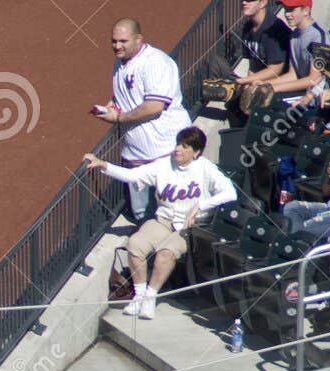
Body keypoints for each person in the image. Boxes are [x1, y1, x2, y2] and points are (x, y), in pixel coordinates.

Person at [83, 127, 236, 319]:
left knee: (166, 253)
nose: (178, 149)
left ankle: (150, 297)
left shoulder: (206, 168)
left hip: (189, 228)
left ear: (196, 152)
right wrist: (103, 165)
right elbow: (133, 176)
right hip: (163, 221)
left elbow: (230, 193)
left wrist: (201, 206)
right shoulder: (163, 165)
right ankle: (139, 295)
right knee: (135, 244)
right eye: (178, 144)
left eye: (185, 146)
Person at [95, 19, 192, 225]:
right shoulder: (119, 63)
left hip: (167, 151)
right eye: (114, 41)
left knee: (176, 213)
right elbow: (128, 95)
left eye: (123, 41)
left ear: (138, 39)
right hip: (136, 155)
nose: (117, 46)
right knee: (141, 216)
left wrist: (119, 118)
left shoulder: (155, 63)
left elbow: (154, 106)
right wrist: (113, 106)